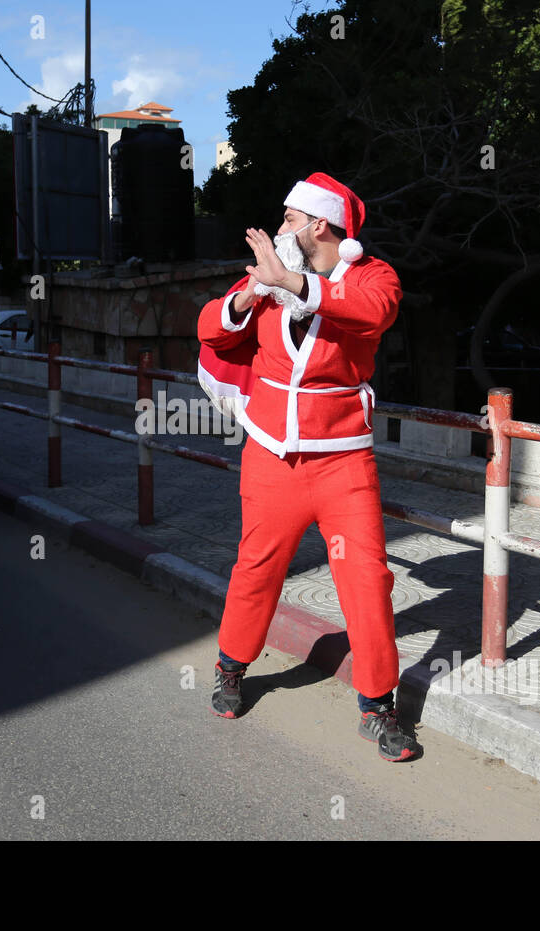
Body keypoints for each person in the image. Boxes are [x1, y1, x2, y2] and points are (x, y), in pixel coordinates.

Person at [196, 172, 421, 762]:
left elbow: (373, 312)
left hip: (343, 461)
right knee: (257, 567)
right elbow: (208, 329)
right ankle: (230, 668)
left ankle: (377, 706)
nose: (280, 228)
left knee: (367, 579)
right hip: (271, 452)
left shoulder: (371, 275)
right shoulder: (269, 275)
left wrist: (291, 281)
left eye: (290, 219)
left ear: (319, 225)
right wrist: (248, 296)